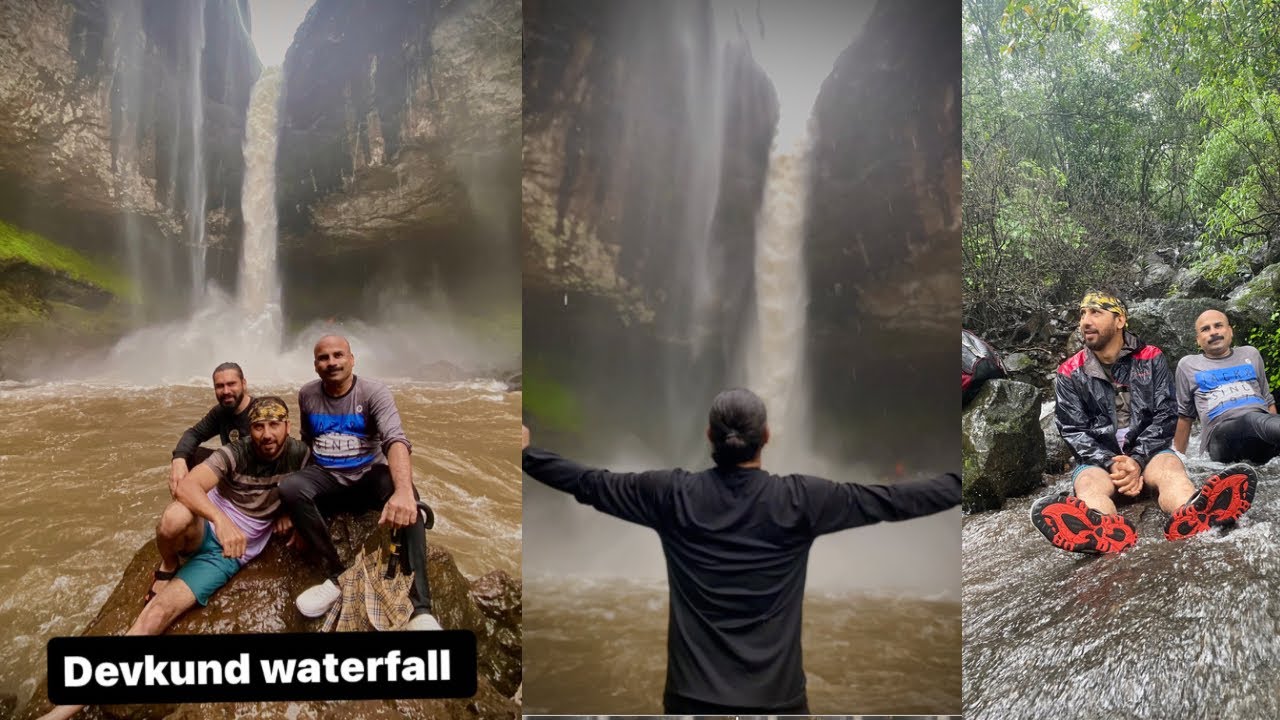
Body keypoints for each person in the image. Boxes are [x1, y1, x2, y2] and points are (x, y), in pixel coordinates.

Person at [521, 387, 961, 715]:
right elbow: (889, 501)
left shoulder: (672, 496)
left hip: (691, 700)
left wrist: (527, 454)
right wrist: (960, 483)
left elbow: (589, 484)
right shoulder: (800, 500)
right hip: (779, 702)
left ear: (709, 435)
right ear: (766, 436)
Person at [38, 396, 308, 720]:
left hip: (227, 557)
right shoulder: (235, 452)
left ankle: (63, 711)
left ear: (288, 426)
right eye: (259, 426)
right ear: (249, 430)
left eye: (274, 425)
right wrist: (220, 520)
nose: (267, 434)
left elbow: (324, 486)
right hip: (208, 527)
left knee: (156, 615)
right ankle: (168, 563)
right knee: (174, 517)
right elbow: (188, 487)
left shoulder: (300, 455)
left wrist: (290, 513)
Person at [1032, 291, 1256, 554]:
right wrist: (1111, 462)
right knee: (1089, 486)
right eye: (1082, 314)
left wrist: (1137, 460)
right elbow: (1072, 429)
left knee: (1171, 471)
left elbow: (1166, 414)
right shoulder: (1069, 371)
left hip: (1149, 454)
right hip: (1101, 461)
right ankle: (1101, 531)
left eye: (1095, 312)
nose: (1085, 321)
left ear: (1119, 321)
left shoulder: (1151, 357)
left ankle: (1192, 511)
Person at [278, 335, 439, 631]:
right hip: (327, 477)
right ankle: (337, 576)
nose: (332, 363)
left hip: (368, 476)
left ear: (352, 359)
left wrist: (402, 491)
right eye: (324, 358)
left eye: (338, 355)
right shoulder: (307, 395)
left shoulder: (373, 393)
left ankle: (420, 608)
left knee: (410, 499)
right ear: (315, 365)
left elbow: (396, 440)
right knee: (289, 488)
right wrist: (294, 511)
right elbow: (308, 443)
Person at [1174, 308, 1280, 464]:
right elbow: (1185, 417)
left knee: (1255, 421)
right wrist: (1177, 461)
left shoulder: (1250, 354)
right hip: (1221, 438)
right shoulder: (1188, 365)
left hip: (1261, 432)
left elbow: (1268, 401)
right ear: (1198, 339)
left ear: (1230, 331)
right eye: (1205, 329)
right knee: (1249, 420)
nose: (1213, 332)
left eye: (1218, 325)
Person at [169, 362, 254, 498]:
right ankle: (194, 505)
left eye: (231, 384)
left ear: (243, 384)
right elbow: (194, 433)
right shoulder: (220, 412)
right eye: (220, 386)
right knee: (189, 454)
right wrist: (178, 459)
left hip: (258, 477)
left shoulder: (260, 411)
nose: (226, 391)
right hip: (232, 471)